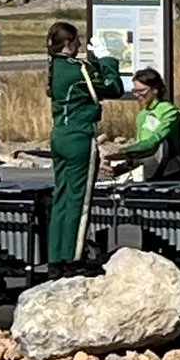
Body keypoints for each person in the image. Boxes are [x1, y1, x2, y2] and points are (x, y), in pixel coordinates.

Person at [44, 22, 127, 264]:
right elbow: (114, 87)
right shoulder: (76, 68)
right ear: (68, 42)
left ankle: (56, 257)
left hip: (59, 135)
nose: (80, 44)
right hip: (79, 136)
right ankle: (73, 257)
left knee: (62, 197)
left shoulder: (54, 66)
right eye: (77, 40)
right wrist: (107, 60)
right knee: (79, 201)